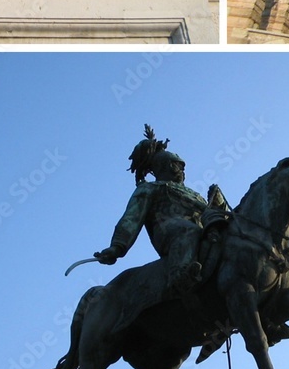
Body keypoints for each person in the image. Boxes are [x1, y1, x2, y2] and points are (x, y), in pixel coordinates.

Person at [94, 125, 226, 294]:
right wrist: (117, 246)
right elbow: (132, 218)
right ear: (167, 166)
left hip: (202, 228)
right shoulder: (149, 188)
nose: (183, 171)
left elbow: (214, 214)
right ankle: (180, 274)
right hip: (170, 231)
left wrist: (218, 204)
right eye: (178, 166)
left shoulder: (195, 194)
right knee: (188, 230)